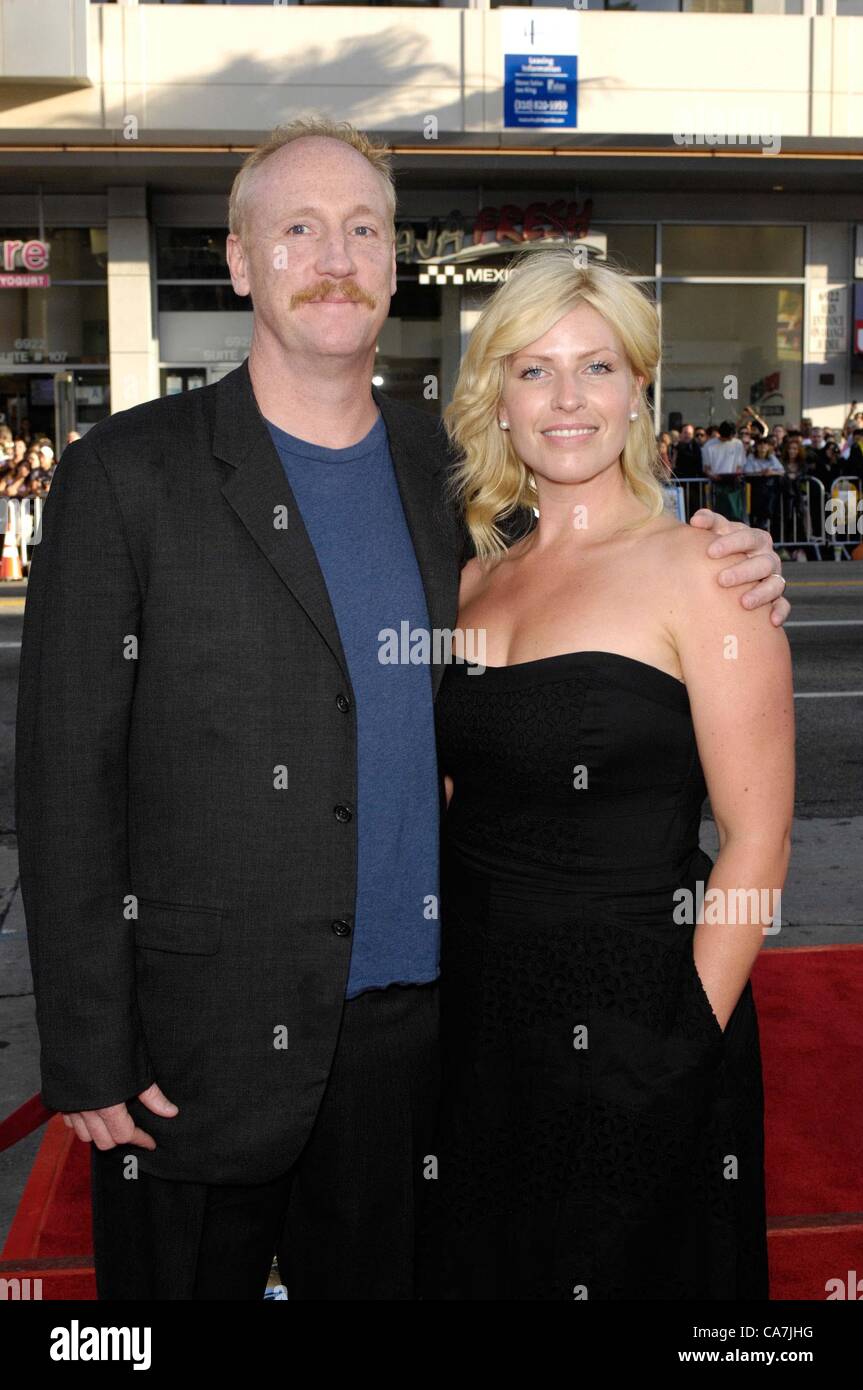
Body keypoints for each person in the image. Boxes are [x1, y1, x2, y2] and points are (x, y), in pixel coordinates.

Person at [15, 117, 791, 1303]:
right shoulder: (128, 474)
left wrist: (736, 552)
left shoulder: (443, 485)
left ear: (393, 262)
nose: (334, 254)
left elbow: (715, 788)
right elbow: (66, 775)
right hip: (196, 1045)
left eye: (363, 228)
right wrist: (83, 1045)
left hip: (416, 1046)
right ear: (237, 263)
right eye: (298, 229)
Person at [417, 248, 794, 1301]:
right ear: (496, 398)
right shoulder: (471, 579)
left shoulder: (707, 572)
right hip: (480, 1028)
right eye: (532, 370)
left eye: (595, 367)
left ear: (638, 389)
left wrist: (675, 1049)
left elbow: (757, 841)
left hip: (646, 1021)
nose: (566, 398)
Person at [702, 419, 746, 520]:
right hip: (717, 484)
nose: (732, 437)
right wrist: (713, 476)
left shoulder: (738, 444)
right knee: (719, 514)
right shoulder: (709, 445)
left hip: (734, 483)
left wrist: (737, 475)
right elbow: (706, 468)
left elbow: (740, 465)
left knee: (736, 514)